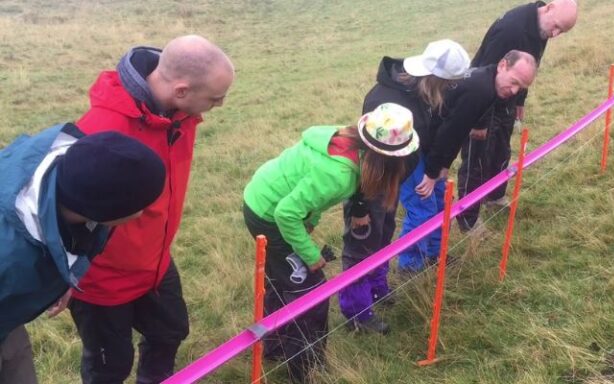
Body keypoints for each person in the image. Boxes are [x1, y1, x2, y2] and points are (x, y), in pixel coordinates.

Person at [58, 35, 235, 384]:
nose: (221, 104)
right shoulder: (100, 132)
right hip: (102, 281)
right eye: (215, 99)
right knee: (109, 368)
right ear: (182, 91)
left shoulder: (178, 115)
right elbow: (60, 208)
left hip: (155, 262)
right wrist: (61, 270)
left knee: (170, 332)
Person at [242, 103, 419, 383]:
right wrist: (311, 256)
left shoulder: (346, 142)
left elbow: (309, 190)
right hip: (268, 215)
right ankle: (305, 369)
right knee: (310, 295)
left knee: (282, 282)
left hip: (262, 197)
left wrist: (310, 220)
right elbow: (286, 213)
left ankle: (275, 348)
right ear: (387, 160)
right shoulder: (339, 175)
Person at [0, 124, 166, 384]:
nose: (144, 212)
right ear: (109, 213)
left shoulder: (78, 174)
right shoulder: (13, 259)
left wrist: (63, 274)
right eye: (141, 206)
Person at [338, 39, 471, 334]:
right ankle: (356, 312)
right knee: (362, 246)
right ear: (435, 79)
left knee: (383, 235)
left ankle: (376, 289)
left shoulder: (419, 93)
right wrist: (359, 205)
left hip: (393, 180)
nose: (449, 91)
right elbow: (366, 158)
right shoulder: (384, 101)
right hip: (372, 185)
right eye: (448, 84)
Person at [398, 49, 538, 273]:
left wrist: (443, 167)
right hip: (415, 148)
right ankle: (410, 267)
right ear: (502, 65)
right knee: (422, 208)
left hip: (432, 148)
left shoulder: (489, 82)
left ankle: (434, 254)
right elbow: (449, 132)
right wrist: (433, 172)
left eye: (520, 87)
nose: (514, 91)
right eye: (513, 82)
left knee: (442, 204)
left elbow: (457, 131)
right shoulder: (479, 90)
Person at [457, 0, 578, 231]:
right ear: (549, 8)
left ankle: (494, 196)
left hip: (507, 100)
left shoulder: (541, 29)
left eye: (562, 31)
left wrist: (519, 100)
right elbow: (483, 76)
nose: (555, 34)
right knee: (476, 160)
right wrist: (479, 121)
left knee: (501, 151)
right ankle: (467, 219)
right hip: (482, 104)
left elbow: (529, 66)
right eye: (557, 27)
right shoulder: (511, 30)